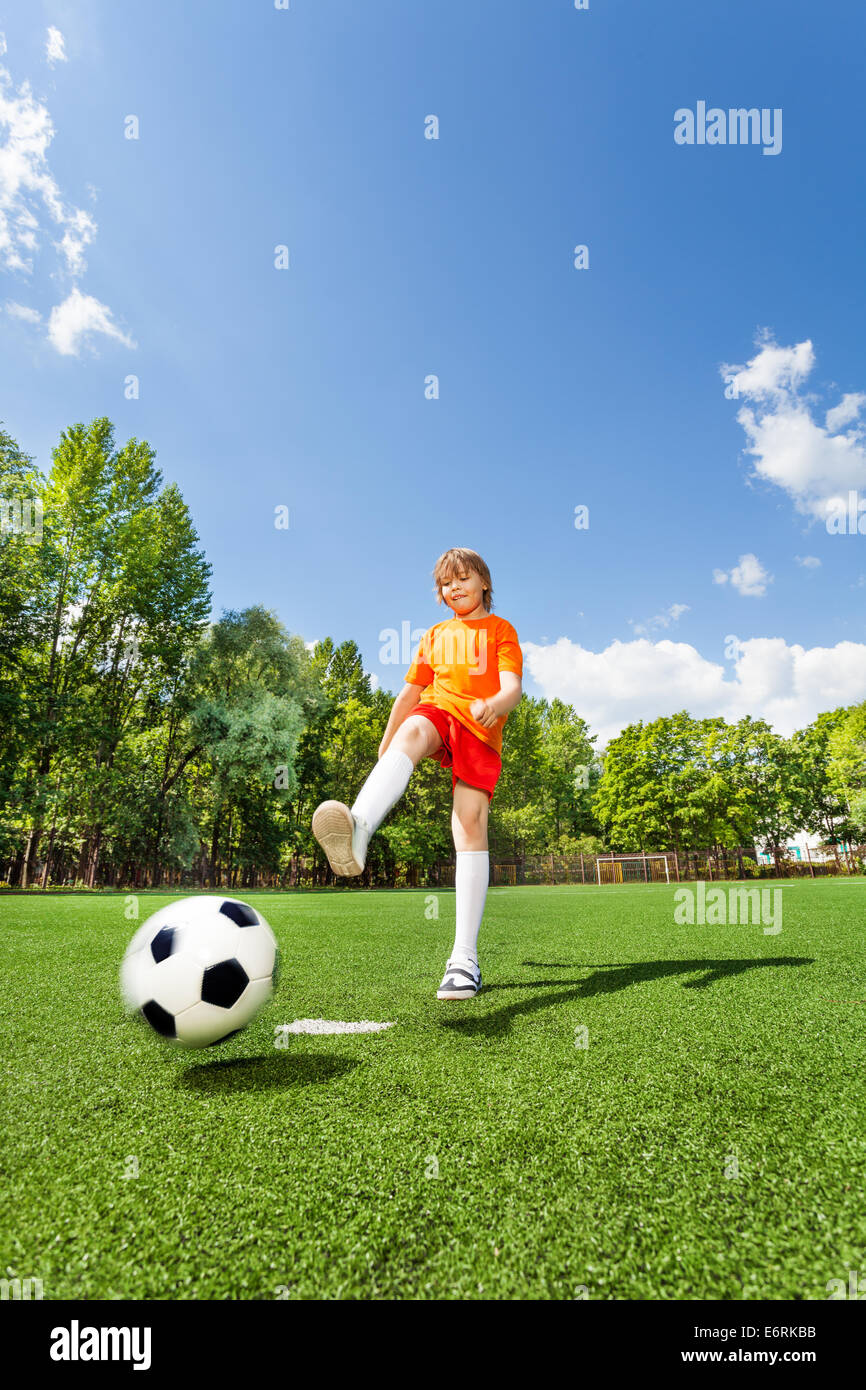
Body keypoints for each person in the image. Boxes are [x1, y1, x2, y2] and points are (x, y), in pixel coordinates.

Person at [311, 547, 523, 999]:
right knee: (412, 731)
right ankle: (358, 829)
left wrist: (495, 706)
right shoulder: (434, 635)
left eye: (463, 579)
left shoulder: (501, 631)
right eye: (446, 584)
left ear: (484, 582)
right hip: (439, 711)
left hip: (481, 731)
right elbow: (408, 696)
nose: (454, 588)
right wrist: (385, 752)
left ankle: (464, 959)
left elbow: (513, 689)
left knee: (468, 824)